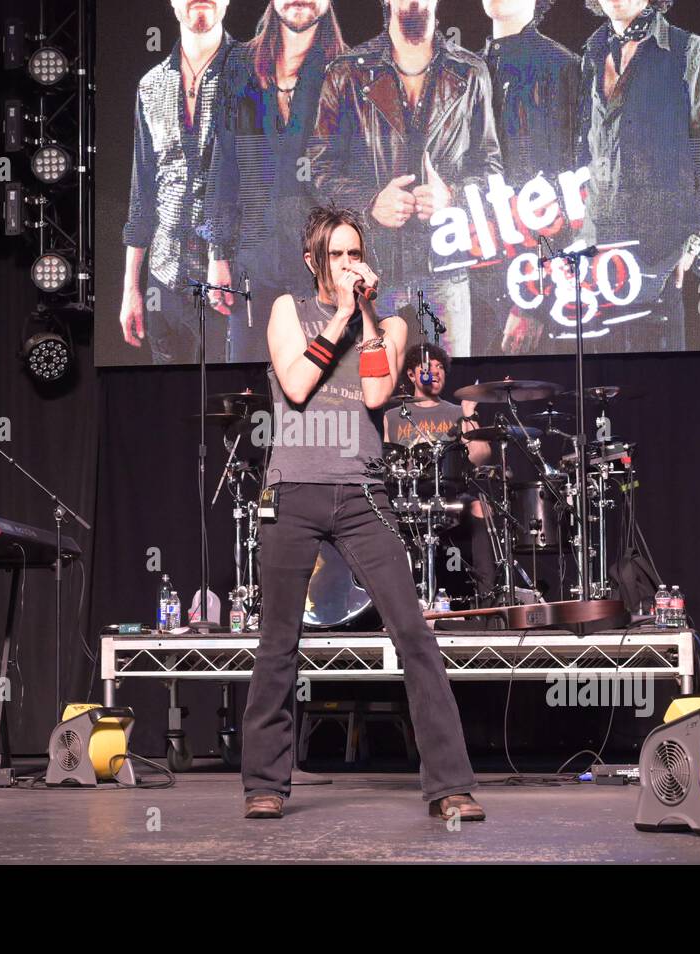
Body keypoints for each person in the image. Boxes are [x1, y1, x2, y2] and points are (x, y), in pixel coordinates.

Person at [241, 205, 483, 821]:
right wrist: (343, 315)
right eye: (337, 255)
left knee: (412, 632)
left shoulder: (392, 324)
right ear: (313, 260)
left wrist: (367, 314)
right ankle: (265, 784)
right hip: (291, 491)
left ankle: (450, 786)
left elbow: (376, 391)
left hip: (361, 493)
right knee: (278, 643)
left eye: (356, 253)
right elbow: (295, 385)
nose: (349, 265)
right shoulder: (286, 312)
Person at [309, 0, 503, 356]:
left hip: (445, 271)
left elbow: (492, 170)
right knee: (374, 392)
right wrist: (370, 203)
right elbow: (319, 170)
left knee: (449, 394)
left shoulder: (471, 71)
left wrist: (452, 197)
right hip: (373, 272)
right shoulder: (346, 72)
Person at [577, 0, 700, 348]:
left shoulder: (689, 52)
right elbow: (589, 157)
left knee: (657, 381)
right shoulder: (591, 55)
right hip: (599, 265)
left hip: (664, 262)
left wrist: (691, 245)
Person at [207, 0, 347, 362]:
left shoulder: (346, 69)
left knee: (323, 398)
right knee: (246, 389)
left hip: (321, 267)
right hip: (252, 262)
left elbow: (352, 172)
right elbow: (223, 163)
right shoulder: (238, 64)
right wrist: (217, 254)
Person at [121, 0, 237, 363]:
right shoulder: (151, 85)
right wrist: (131, 288)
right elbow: (142, 189)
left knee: (231, 401)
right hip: (165, 280)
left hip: (230, 280)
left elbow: (248, 175)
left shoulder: (251, 71)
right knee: (171, 406)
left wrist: (220, 252)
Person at [478, 0, 581, 354]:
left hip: (530, 282)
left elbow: (569, 188)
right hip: (470, 275)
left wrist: (533, 298)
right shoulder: (468, 68)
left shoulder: (562, 67)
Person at [383, 344, 496, 600]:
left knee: (481, 507)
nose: (435, 372)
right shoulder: (392, 415)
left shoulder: (458, 412)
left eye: (440, 367)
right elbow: (388, 464)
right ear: (412, 375)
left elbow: (480, 457)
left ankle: (486, 600)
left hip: (451, 496)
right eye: (427, 367)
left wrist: (469, 414)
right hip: (408, 496)